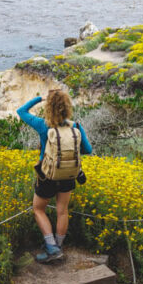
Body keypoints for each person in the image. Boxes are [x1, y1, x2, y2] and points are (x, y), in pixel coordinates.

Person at [17, 89, 93, 263]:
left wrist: (39, 98)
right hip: (69, 175)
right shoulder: (76, 127)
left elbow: (21, 111)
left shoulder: (43, 125)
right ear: (67, 107)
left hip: (48, 176)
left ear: (49, 108)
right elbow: (87, 150)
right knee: (62, 211)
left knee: (38, 209)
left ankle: (51, 248)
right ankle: (58, 247)